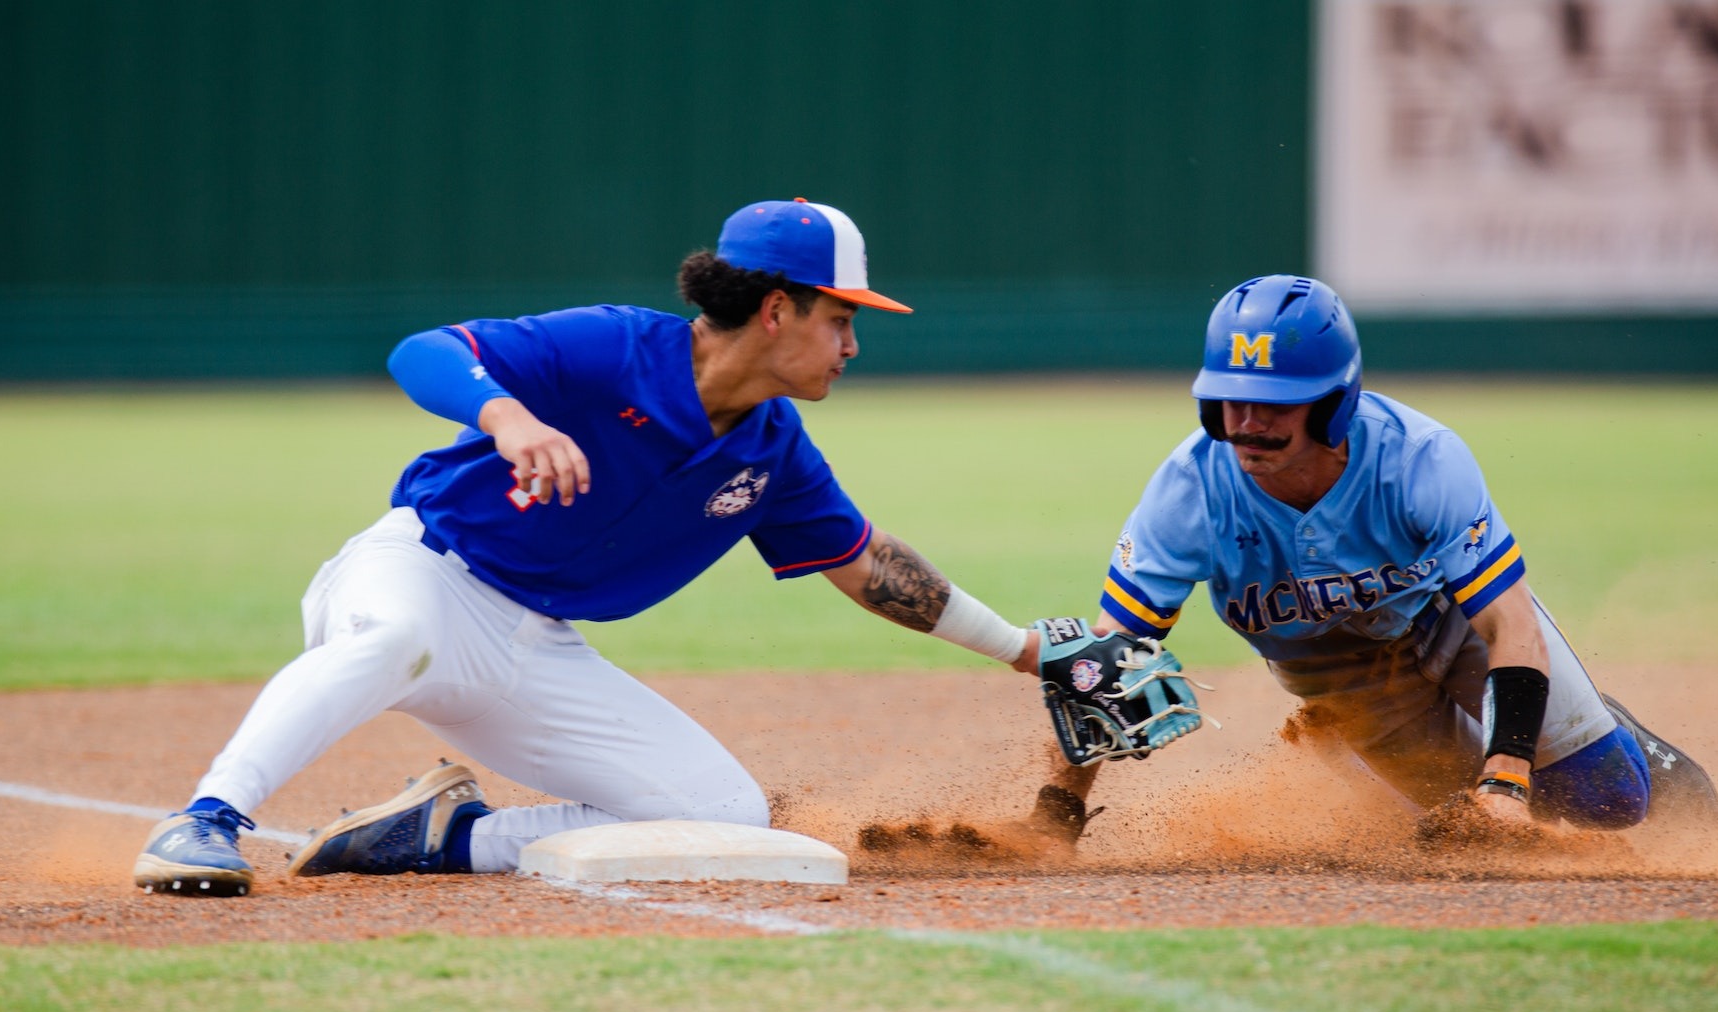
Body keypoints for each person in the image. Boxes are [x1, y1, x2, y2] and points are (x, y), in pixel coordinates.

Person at [133, 198, 1040, 896]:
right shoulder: (616, 347)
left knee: (728, 816)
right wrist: (509, 414)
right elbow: (424, 350)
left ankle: (437, 838)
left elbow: (871, 568)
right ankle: (206, 819)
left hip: (534, 648)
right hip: (421, 569)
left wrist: (1029, 653)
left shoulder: (775, 450)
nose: (851, 344)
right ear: (776, 310)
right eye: (840, 318)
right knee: (392, 643)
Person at [1024, 273, 1718, 849]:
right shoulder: (1190, 491)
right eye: (1230, 399)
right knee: (1467, 832)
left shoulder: (1419, 459)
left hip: (1447, 621)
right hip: (1342, 679)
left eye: (1275, 403)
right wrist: (1055, 816)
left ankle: (1614, 734)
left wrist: (1506, 781)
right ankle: (1382, 762)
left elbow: (1508, 624)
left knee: (1606, 798)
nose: (1247, 422)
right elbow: (1106, 670)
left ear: (1333, 402)